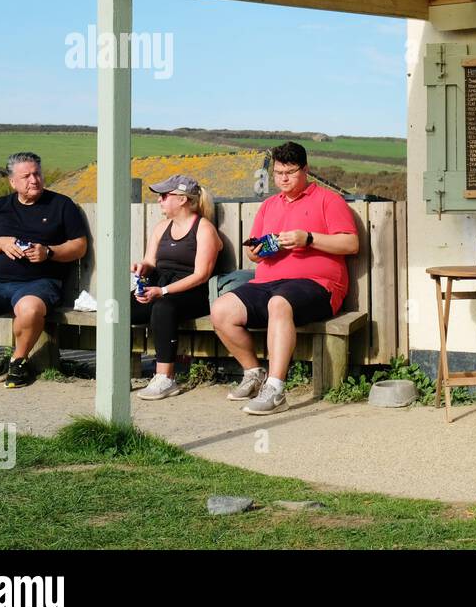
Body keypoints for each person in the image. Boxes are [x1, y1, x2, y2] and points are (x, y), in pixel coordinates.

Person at [209, 143, 358, 415]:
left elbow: (350, 244)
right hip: (266, 283)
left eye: (290, 172)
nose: (283, 179)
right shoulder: (268, 206)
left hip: (318, 285)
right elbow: (254, 256)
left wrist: (308, 239)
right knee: (221, 309)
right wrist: (258, 250)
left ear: (306, 170)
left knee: (279, 303)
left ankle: (276, 390)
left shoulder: (328, 200)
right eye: (278, 173)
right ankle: (254, 373)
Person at [0, 152, 89, 389]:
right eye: (26, 176)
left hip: (41, 282)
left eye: (37, 174)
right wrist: (0, 242)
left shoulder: (61, 205)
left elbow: (79, 247)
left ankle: (18, 362)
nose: (34, 180)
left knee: (29, 308)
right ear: (13, 182)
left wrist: (49, 252)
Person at [131, 175, 221, 401]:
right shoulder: (162, 227)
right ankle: (117, 369)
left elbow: (201, 275)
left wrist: (163, 291)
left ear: (181, 199)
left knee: (163, 308)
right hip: (160, 289)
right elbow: (150, 262)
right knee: (122, 307)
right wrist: (143, 268)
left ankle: (165, 378)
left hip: (193, 294)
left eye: (163, 196)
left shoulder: (204, 229)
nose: (159, 201)